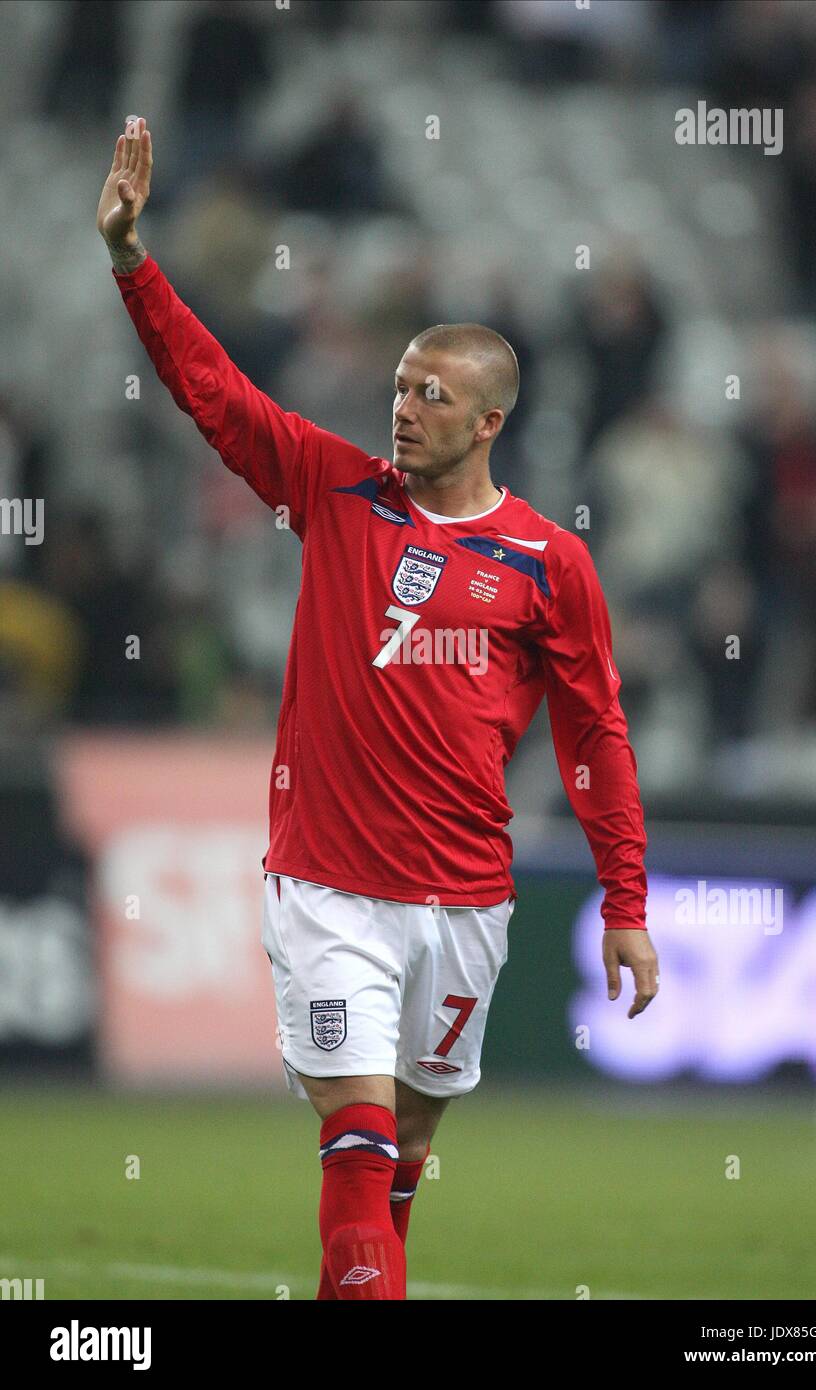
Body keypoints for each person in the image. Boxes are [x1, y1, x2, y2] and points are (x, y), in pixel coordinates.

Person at [97, 116, 659, 1301]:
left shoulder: (548, 563)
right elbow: (216, 397)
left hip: (465, 898)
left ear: (488, 421)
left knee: (400, 1161)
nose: (402, 407)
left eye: (432, 393)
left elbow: (594, 732)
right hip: (329, 885)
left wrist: (623, 899)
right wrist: (135, 264)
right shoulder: (335, 488)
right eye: (399, 384)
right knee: (353, 1144)